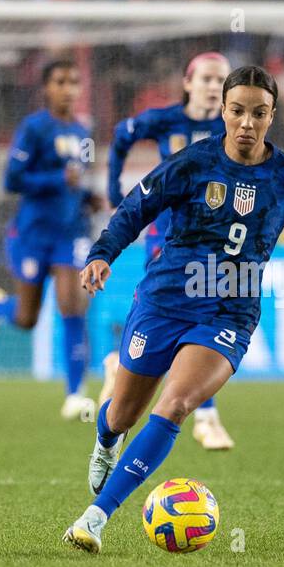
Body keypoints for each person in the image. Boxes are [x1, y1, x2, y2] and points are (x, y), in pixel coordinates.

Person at [63, 65, 284, 553]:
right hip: (163, 300)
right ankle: (106, 441)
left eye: (258, 114)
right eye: (238, 111)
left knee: (176, 405)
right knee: (121, 413)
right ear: (223, 111)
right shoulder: (192, 162)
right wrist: (101, 254)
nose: (247, 123)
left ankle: (95, 518)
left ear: (272, 117)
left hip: (228, 313)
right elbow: (136, 209)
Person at [103, 51, 235, 449]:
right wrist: (114, 189)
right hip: (166, 235)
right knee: (182, 310)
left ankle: (121, 363)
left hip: (211, 237)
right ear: (188, 83)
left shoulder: (229, 126)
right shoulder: (164, 121)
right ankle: (206, 418)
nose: (215, 88)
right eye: (208, 80)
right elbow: (122, 135)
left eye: (221, 81)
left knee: (205, 313)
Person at [0, 60, 98, 420]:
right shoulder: (34, 128)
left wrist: (88, 196)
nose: (69, 88)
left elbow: (79, 180)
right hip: (32, 233)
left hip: (71, 232)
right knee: (27, 318)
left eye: (74, 81)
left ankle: (75, 394)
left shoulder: (85, 132)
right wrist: (59, 179)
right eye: (61, 81)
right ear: (46, 88)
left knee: (73, 305)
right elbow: (12, 181)